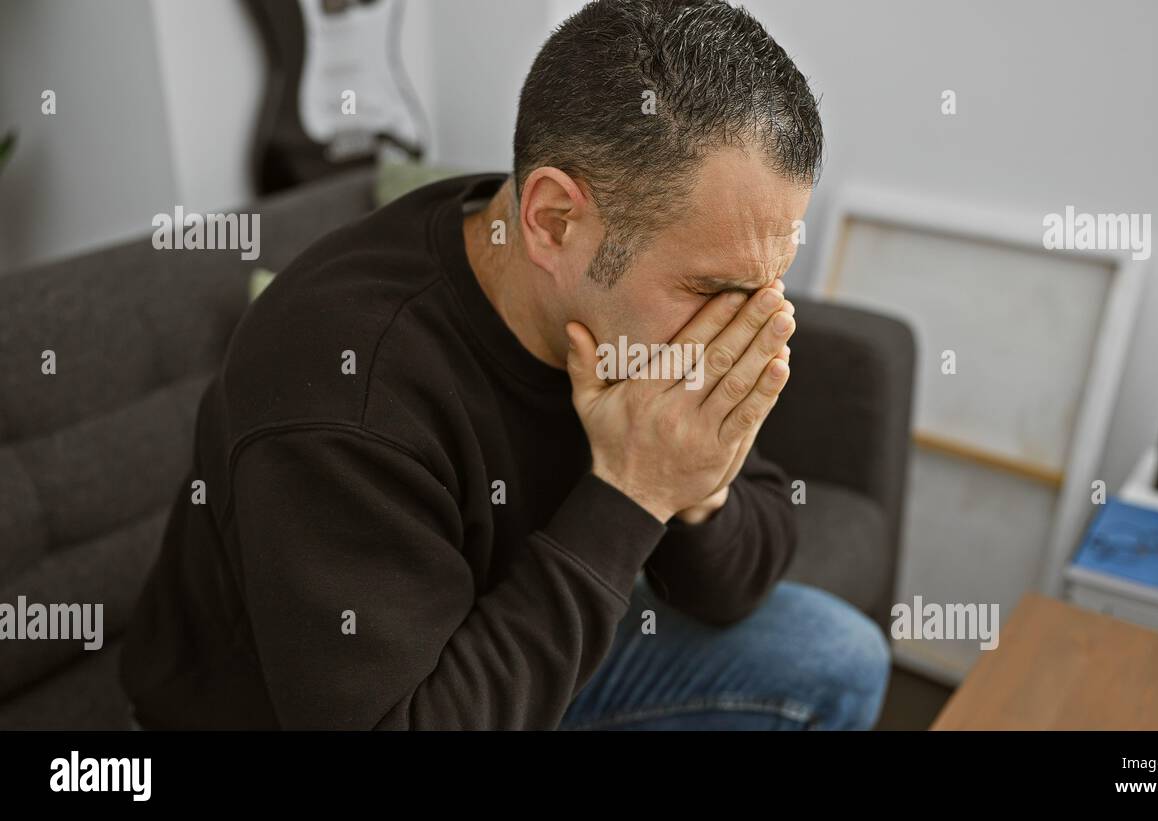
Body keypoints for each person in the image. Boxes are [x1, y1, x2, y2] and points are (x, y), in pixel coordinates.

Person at [120, 0, 889, 730]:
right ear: (554, 221)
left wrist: (698, 488)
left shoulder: (632, 309)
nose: (755, 325)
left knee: (837, 654)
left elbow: (737, 583)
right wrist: (632, 491)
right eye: (717, 288)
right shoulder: (344, 383)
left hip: (519, 634)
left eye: (768, 284)